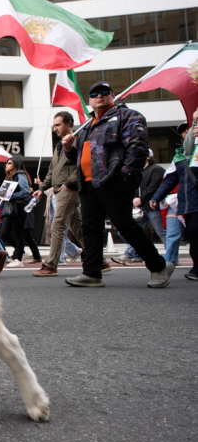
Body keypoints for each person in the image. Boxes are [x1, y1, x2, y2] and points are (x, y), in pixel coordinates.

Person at [62, 81, 173, 288]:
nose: (99, 96)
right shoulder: (88, 124)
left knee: (125, 225)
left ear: (112, 95)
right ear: (89, 100)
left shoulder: (129, 116)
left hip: (113, 182)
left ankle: (159, 266)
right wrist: (69, 149)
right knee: (91, 229)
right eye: (94, 93)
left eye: (105, 92)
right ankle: (92, 272)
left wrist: (125, 177)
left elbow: (138, 148)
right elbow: (84, 156)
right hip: (88, 184)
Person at [32, 112, 85, 276]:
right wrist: (41, 188)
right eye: (54, 125)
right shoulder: (59, 145)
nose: (55, 128)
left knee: (57, 226)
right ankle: (100, 260)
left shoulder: (78, 140)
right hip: (59, 191)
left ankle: (51, 264)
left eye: (58, 125)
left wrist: (69, 184)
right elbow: (52, 171)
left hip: (68, 191)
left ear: (69, 123)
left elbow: (82, 165)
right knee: (80, 229)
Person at [150, 111, 198, 280]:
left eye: (190, 128)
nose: (188, 132)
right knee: (193, 234)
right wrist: (156, 197)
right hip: (188, 203)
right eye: (185, 131)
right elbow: (170, 180)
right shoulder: (180, 157)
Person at [113, 148, 167, 265]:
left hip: (152, 206)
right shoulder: (136, 171)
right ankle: (136, 254)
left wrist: (141, 199)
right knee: (125, 232)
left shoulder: (157, 169)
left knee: (161, 232)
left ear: (149, 157)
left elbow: (154, 186)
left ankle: (171, 255)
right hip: (139, 208)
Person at [0, 156, 33, 268]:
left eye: (9, 163)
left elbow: (25, 192)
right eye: (6, 163)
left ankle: (19, 259)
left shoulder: (20, 175)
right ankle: (21, 251)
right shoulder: (10, 177)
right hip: (10, 208)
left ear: (16, 164)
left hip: (18, 207)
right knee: (4, 233)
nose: (6, 165)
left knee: (17, 234)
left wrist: (9, 196)